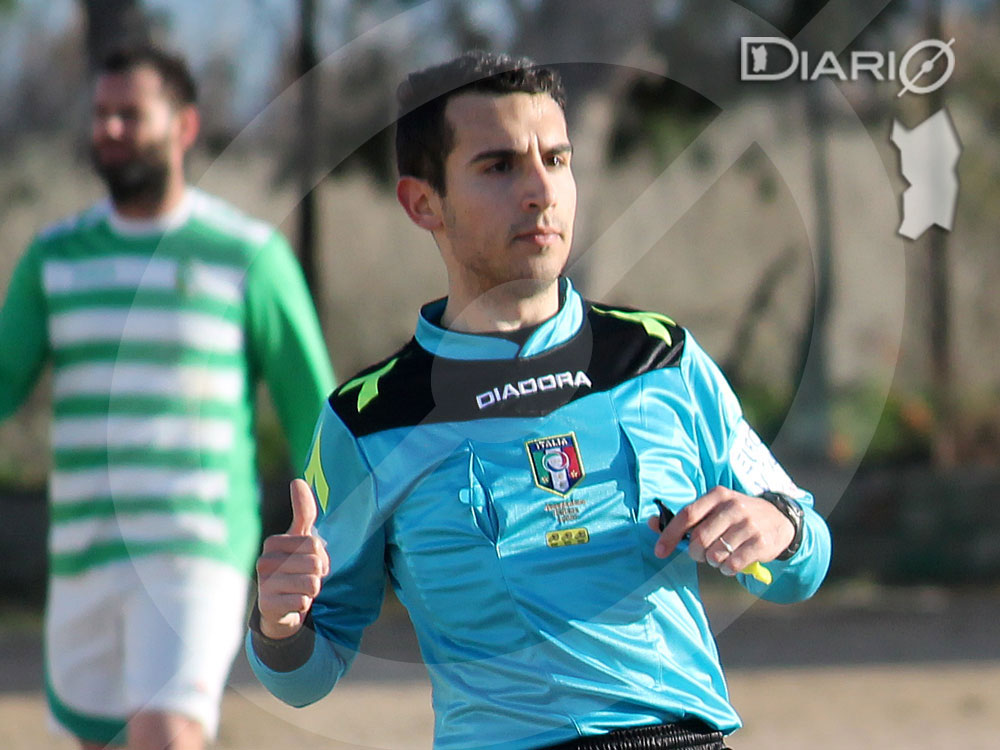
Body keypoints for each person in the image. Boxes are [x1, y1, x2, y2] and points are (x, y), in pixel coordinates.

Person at [247, 51, 831, 750]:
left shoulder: (662, 358)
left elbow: (804, 562)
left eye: (555, 159)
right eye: (499, 166)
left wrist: (780, 525)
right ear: (422, 202)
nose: (540, 191)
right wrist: (278, 625)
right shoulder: (370, 421)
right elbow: (307, 673)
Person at [0, 46, 335, 750]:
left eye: (130, 114)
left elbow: (315, 408)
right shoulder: (54, 260)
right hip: (83, 554)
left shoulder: (247, 255)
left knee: (164, 735)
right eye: (101, 113)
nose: (110, 128)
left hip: (194, 547)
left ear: (184, 127)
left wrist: (339, 532)